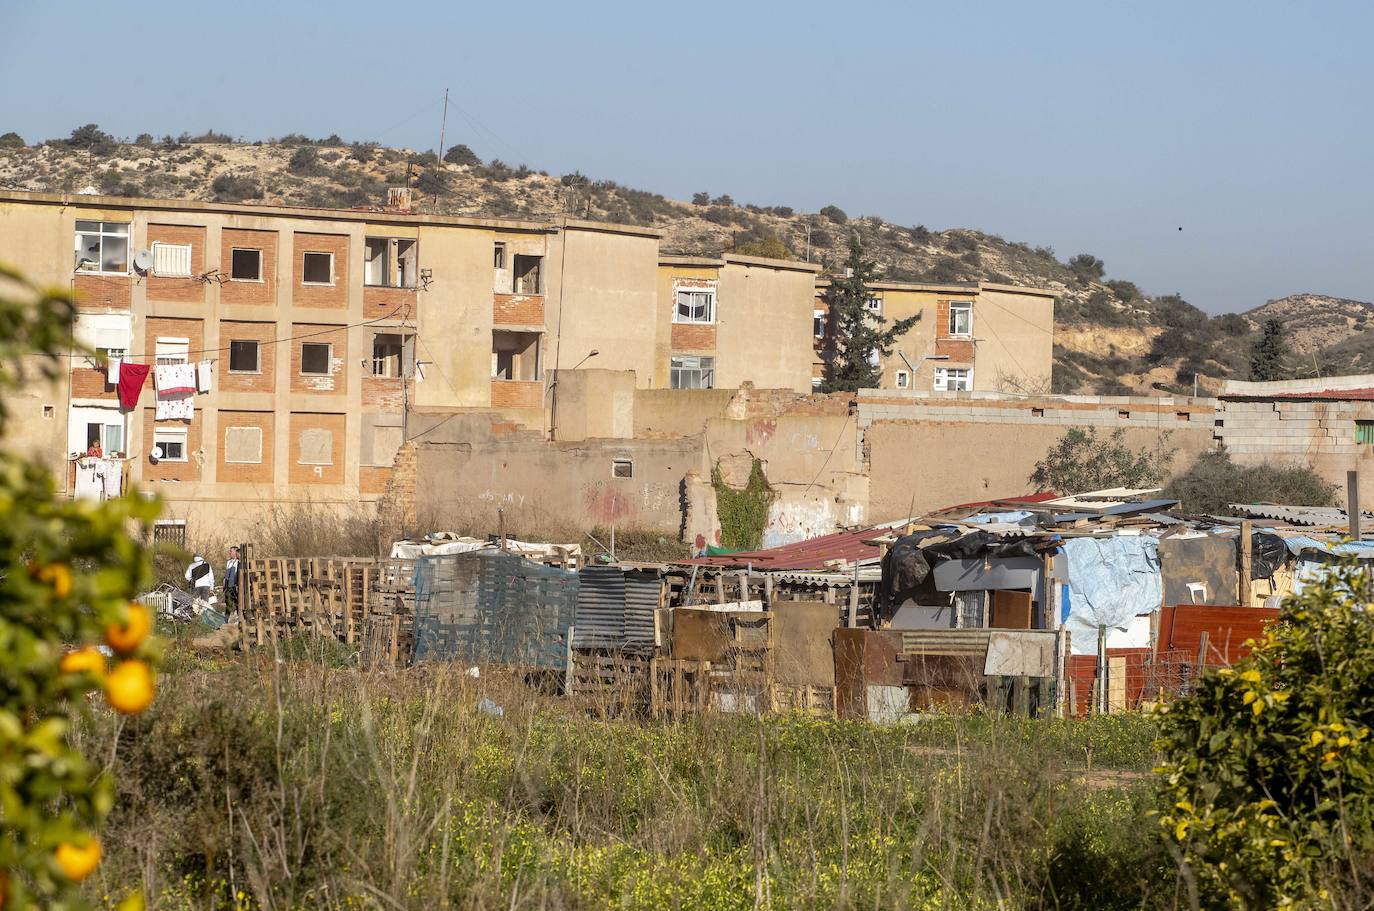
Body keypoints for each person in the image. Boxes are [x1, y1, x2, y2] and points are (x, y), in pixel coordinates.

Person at [223, 546, 240, 618]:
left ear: (236, 552)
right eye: (229, 551)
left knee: (238, 603)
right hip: (228, 586)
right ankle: (226, 619)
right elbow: (226, 576)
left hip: (235, 586)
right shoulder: (228, 562)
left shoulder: (238, 562)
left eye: (231, 551)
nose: (229, 553)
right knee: (228, 603)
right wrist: (224, 586)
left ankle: (240, 618)